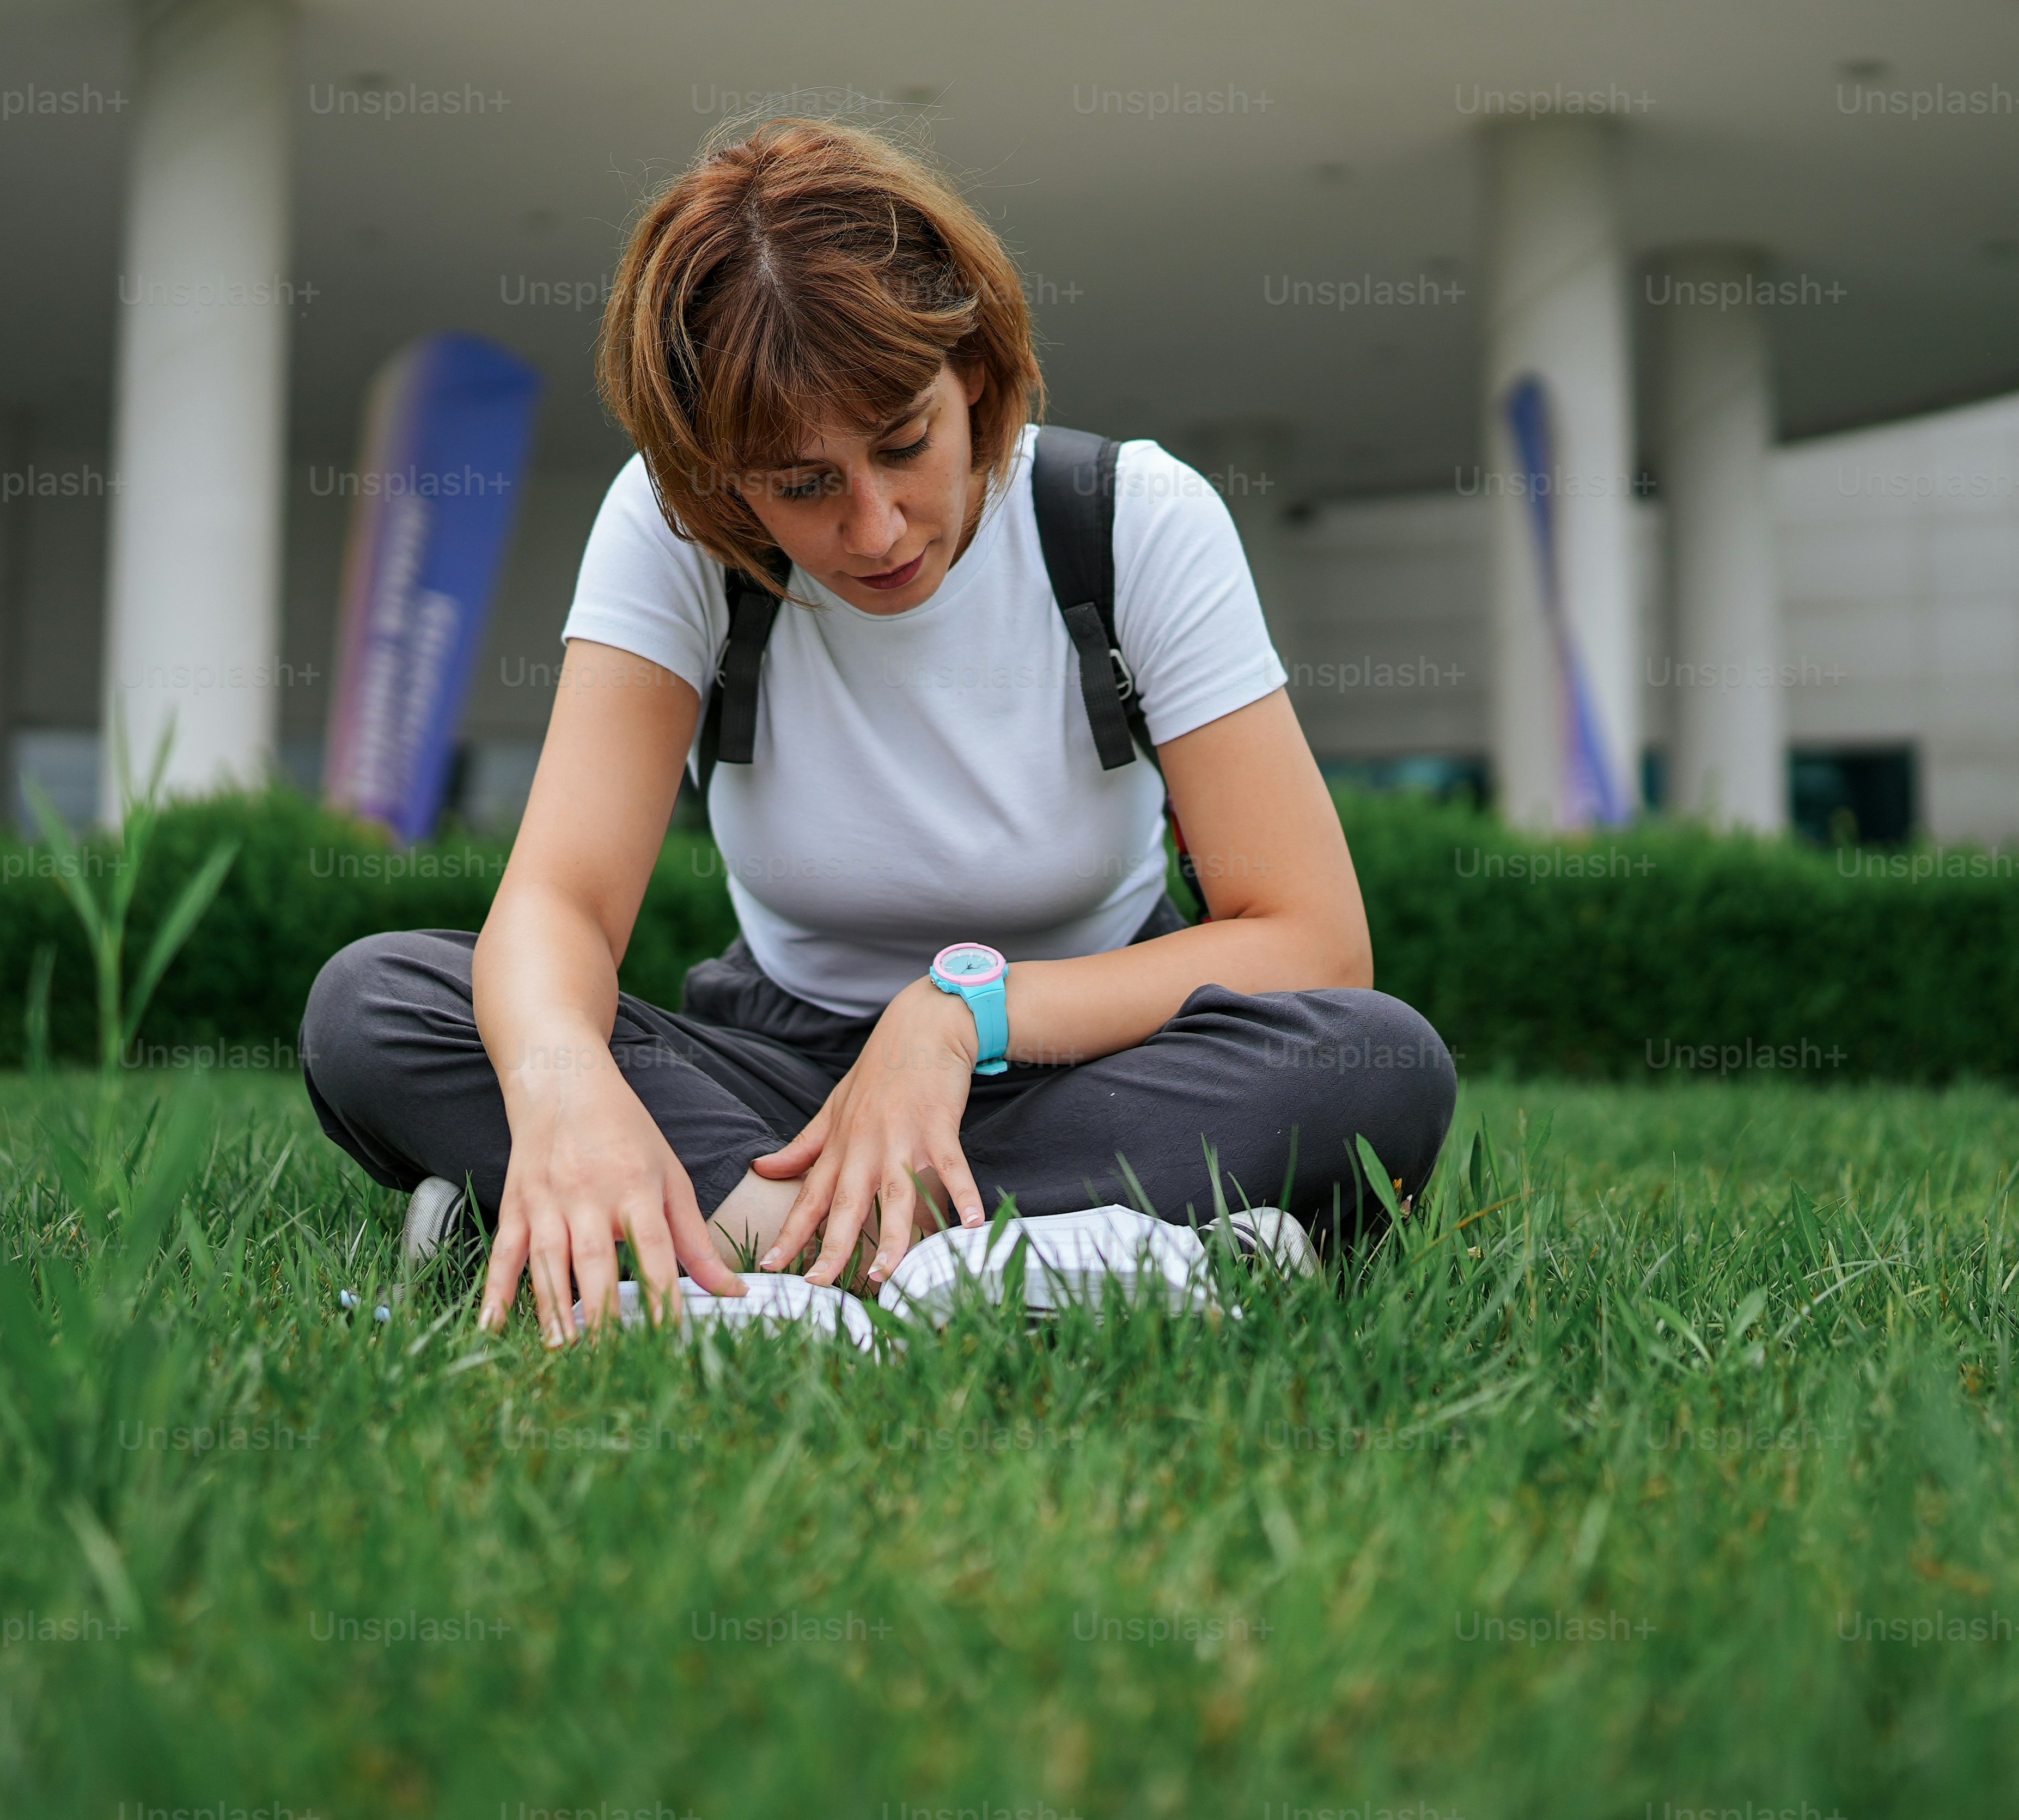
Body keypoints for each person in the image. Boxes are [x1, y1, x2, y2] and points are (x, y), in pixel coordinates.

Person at [299, 117, 1456, 1343]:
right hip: (780, 1082)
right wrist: (564, 1087)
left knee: (1378, 1063)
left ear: (976, 375)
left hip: (1085, 1060)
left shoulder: (1137, 519)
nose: (879, 526)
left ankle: (700, 1252)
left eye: (906, 443)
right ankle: (1101, 1255)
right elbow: (561, 907)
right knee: (376, 1008)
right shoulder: (668, 528)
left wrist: (961, 1015)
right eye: (802, 484)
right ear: (719, 479)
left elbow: (1315, 945)